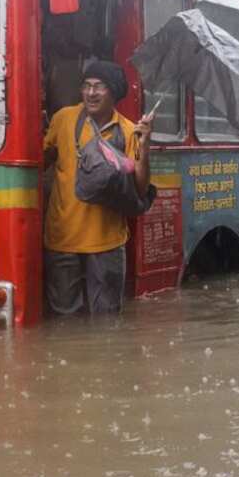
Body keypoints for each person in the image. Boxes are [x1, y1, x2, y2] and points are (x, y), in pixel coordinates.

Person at [42, 59, 152, 315]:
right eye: (87, 86)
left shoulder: (128, 130)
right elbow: (41, 160)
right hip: (62, 238)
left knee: (107, 322)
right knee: (63, 320)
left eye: (99, 87)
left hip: (107, 244)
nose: (91, 93)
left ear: (113, 92)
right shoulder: (63, 119)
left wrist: (144, 148)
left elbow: (140, 186)